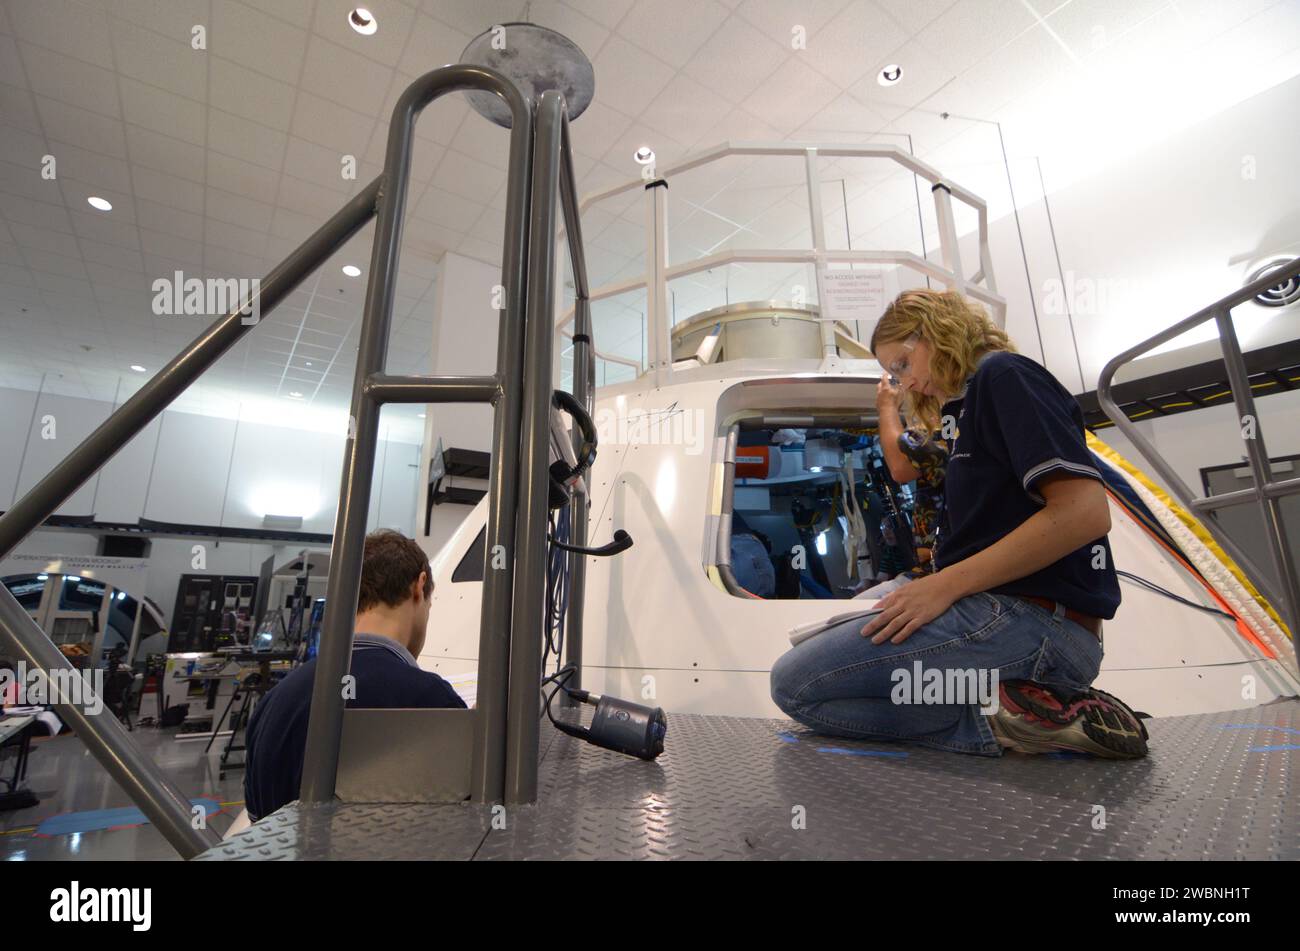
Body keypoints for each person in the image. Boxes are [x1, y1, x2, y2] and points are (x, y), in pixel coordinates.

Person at [771, 289, 1148, 759]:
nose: (904, 383)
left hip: (1039, 623)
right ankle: (1018, 713)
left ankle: (1004, 717)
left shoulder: (1006, 375)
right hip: (1006, 612)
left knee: (797, 684)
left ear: (933, 331)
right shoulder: (962, 414)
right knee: (814, 673)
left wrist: (945, 586)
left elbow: (1085, 513)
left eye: (903, 365)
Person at [244, 530, 466, 820]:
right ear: (419, 586)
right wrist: (470, 732)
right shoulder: (431, 700)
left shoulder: (273, 703)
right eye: (429, 604)